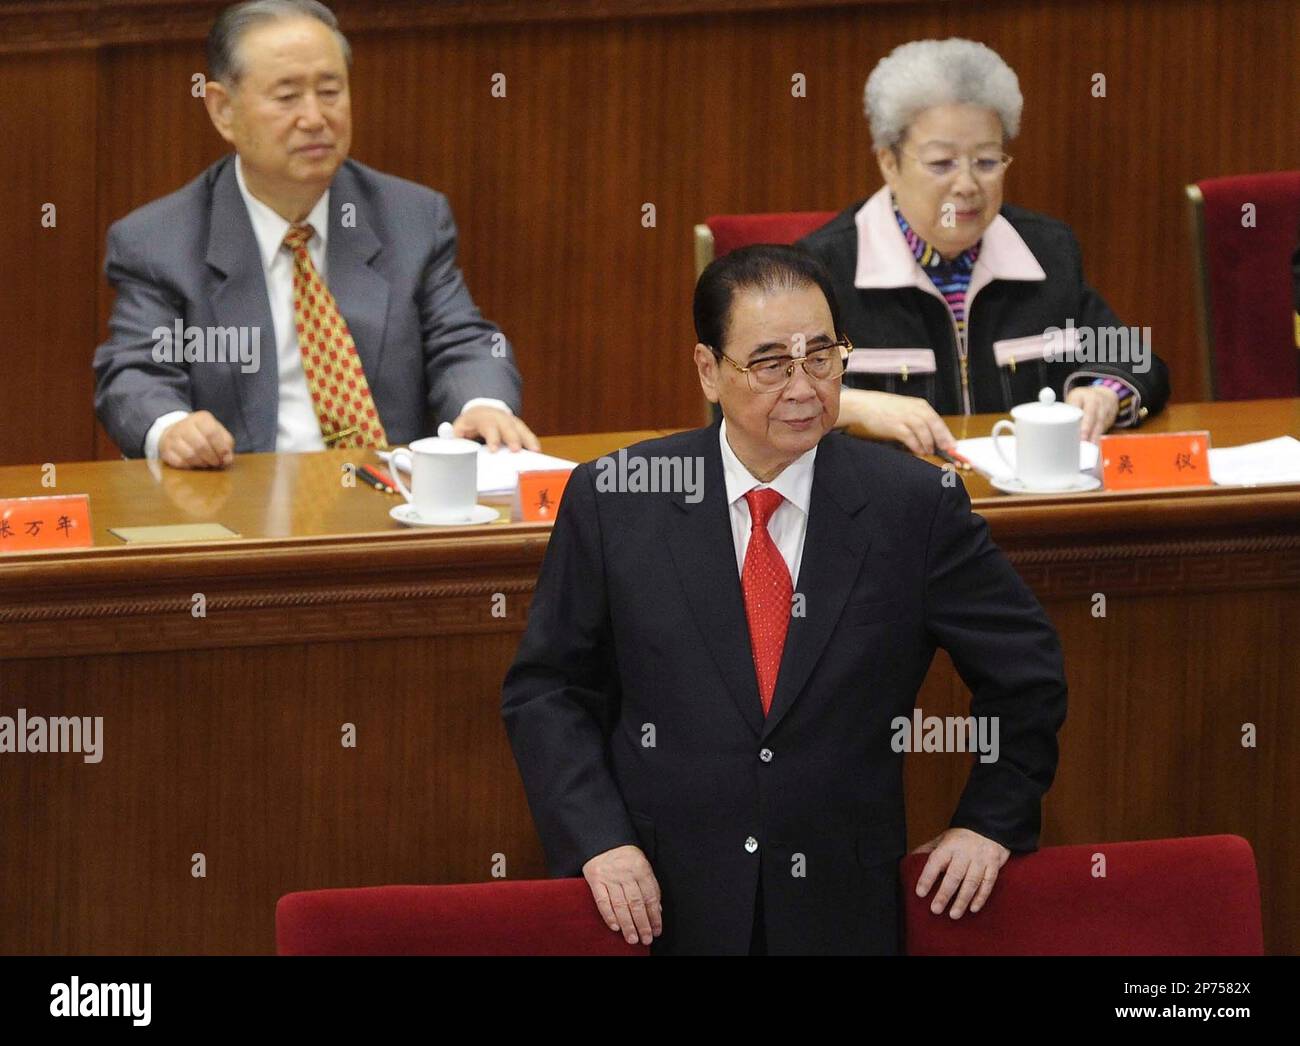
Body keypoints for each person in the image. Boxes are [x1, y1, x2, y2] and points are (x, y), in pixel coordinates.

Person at [502, 244, 1067, 955]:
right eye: (770, 363)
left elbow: (1028, 672)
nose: (803, 389)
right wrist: (596, 840)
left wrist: (992, 820)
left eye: (822, 356)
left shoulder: (913, 508)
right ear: (709, 370)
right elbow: (547, 689)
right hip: (658, 907)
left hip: (842, 909)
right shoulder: (616, 499)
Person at [92, 0, 537, 468]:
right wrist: (170, 427)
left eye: (330, 91)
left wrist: (482, 404)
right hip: (240, 501)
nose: (314, 118)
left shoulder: (411, 218)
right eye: (286, 97)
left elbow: (464, 339)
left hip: (393, 501)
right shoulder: (159, 241)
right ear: (223, 110)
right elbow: (134, 371)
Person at [798, 38, 1170, 456]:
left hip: (1027, 505)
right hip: (889, 509)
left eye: (987, 162)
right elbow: (753, 405)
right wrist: (852, 406)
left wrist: (1104, 393)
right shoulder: (821, 269)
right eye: (942, 164)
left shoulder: (1047, 251)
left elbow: (1136, 361)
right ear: (889, 162)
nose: (968, 185)